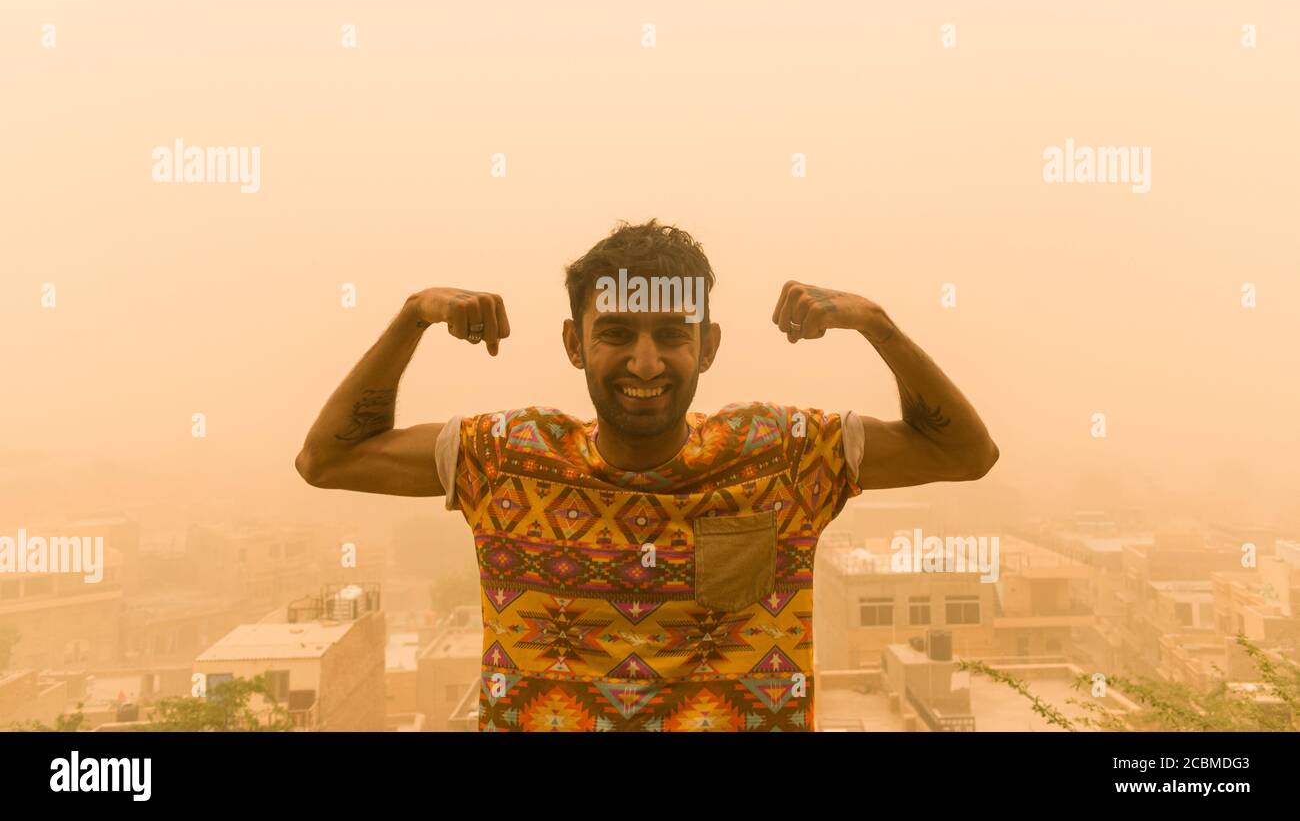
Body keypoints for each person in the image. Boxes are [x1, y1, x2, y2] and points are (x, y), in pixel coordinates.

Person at [295, 218, 998, 731]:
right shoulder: (507, 457)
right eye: (615, 333)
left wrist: (876, 324)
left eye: (670, 335)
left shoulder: (783, 452)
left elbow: (966, 454)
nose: (645, 363)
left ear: (708, 345)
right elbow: (327, 459)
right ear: (574, 343)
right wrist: (413, 315)